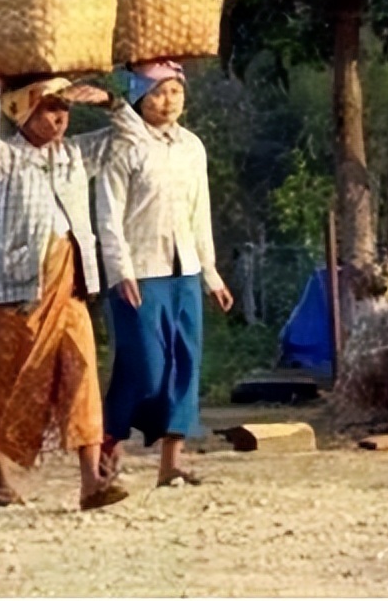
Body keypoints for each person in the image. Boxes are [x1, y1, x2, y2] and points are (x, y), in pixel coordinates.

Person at [0, 70, 139, 511]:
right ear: (24, 111)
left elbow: (132, 139)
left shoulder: (77, 156)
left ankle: (91, 483)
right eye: (49, 107)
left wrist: (111, 102)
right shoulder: (5, 160)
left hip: (73, 287)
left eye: (64, 108)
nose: (60, 117)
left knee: (82, 375)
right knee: (3, 384)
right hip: (17, 289)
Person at [95, 60, 234, 487]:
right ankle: (109, 438)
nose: (168, 101)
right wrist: (121, 271)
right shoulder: (124, 147)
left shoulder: (192, 147)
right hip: (141, 271)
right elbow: (109, 216)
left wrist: (211, 274)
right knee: (145, 366)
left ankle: (172, 462)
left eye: (175, 91)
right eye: (158, 92)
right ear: (139, 96)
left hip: (184, 269)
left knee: (185, 364)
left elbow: (199, 213)